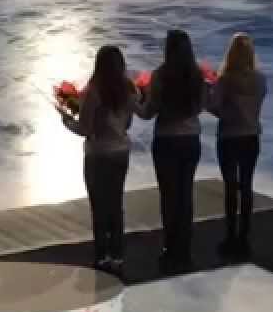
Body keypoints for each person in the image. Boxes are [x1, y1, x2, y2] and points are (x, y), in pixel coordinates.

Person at [58, 45, 138, 277]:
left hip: (98, 155)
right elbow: (128, 124)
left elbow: (84, 129)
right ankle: (118, 255)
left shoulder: (93, 92)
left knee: (99, 207)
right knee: (116, 205)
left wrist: (66, 120)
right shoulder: (128, 89)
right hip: (121, 153)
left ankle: (102, 256)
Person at [137, 29, 207, 273]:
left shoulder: (161, 76)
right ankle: (184, 247)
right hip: (190, 139)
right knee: (185, 194)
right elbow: (200, 107)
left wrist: (136, 100)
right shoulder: (197, 76)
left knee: (169, 196)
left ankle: (170, 247)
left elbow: (148, 112)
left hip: (167, 140)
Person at [207, 33, 267, 259]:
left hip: (230, 136)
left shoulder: (225, 80)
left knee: (231, 186)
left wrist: (207, 98)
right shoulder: (261, 79)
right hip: (251, 135)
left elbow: (215, 107)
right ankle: (246, 230)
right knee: (247, 184)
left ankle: (230, 230)